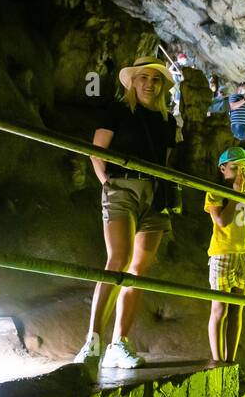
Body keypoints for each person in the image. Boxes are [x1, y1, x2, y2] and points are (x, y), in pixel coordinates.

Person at [74, 56, 177, 369]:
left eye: (156, 80)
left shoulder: (167, 121)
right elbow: (97, 149)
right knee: (117, 260)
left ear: (162, 87)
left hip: (156, 195)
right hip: (123, 188)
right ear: (133, 81)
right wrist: (108, 182)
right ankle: (92, 340)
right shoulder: (118, 111)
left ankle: (119, 343)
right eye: (144, 78)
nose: (149, 84)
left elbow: (167, 160)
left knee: (138, 272)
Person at [205, 147, 245, 363]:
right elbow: (223, 221)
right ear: (223, 168)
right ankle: (217, 362)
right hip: (223, 252)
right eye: (235, 167)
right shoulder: (215, 192)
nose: (240, 173)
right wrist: (236, 194)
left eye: (244, 169)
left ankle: (231, 361)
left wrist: (243, 196)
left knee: (237, 311)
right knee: (220, 309)